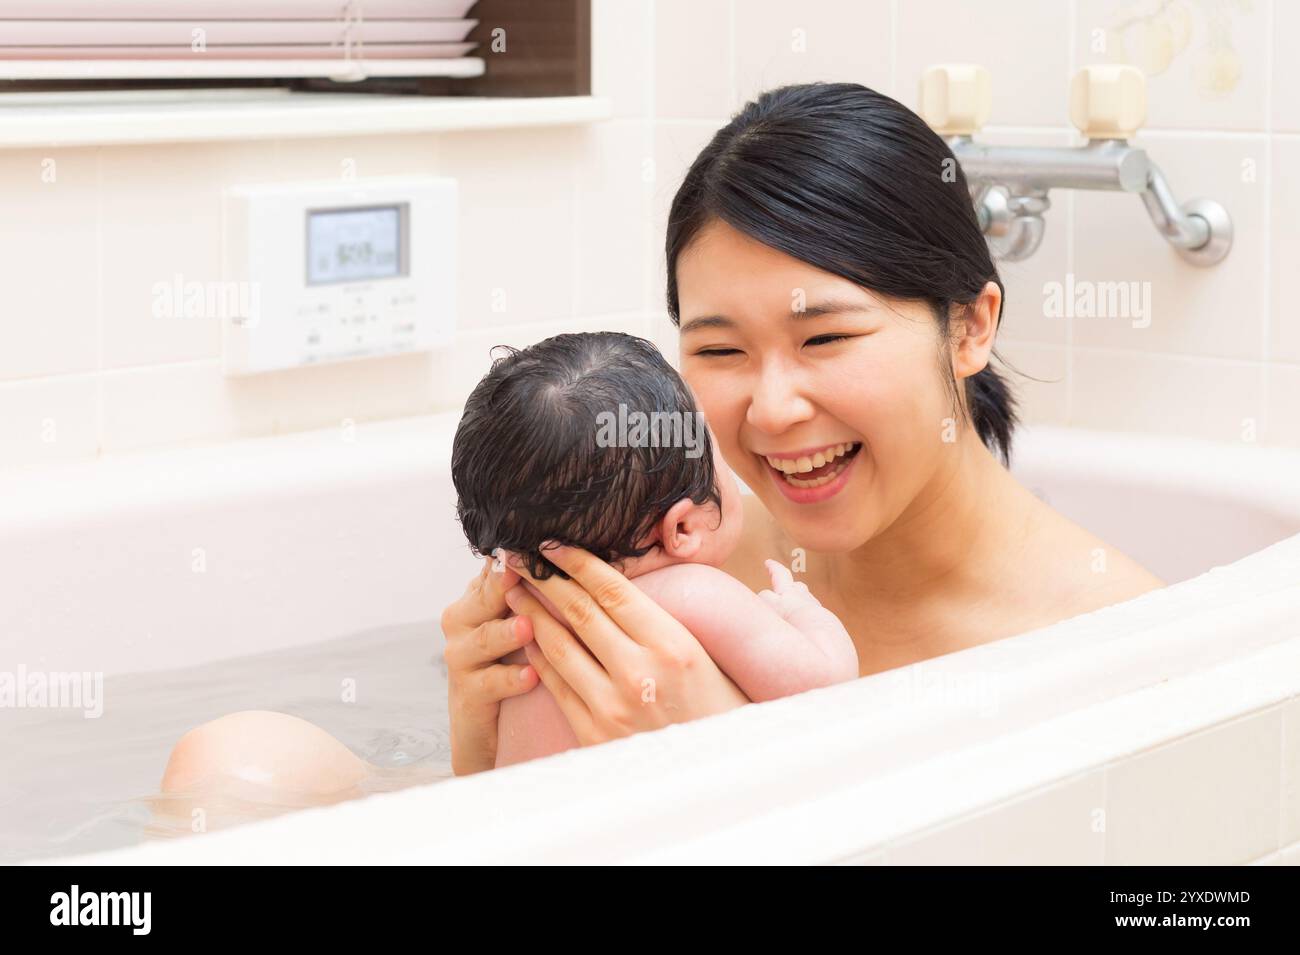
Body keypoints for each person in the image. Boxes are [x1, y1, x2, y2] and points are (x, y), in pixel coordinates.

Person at [440, 82, 1164, 776]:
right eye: (721, 351)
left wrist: (733, 766)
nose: (772, 409)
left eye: (825, 338)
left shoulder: (1118, 644)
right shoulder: (672, 553)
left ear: (970, 325)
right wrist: (479, 748)